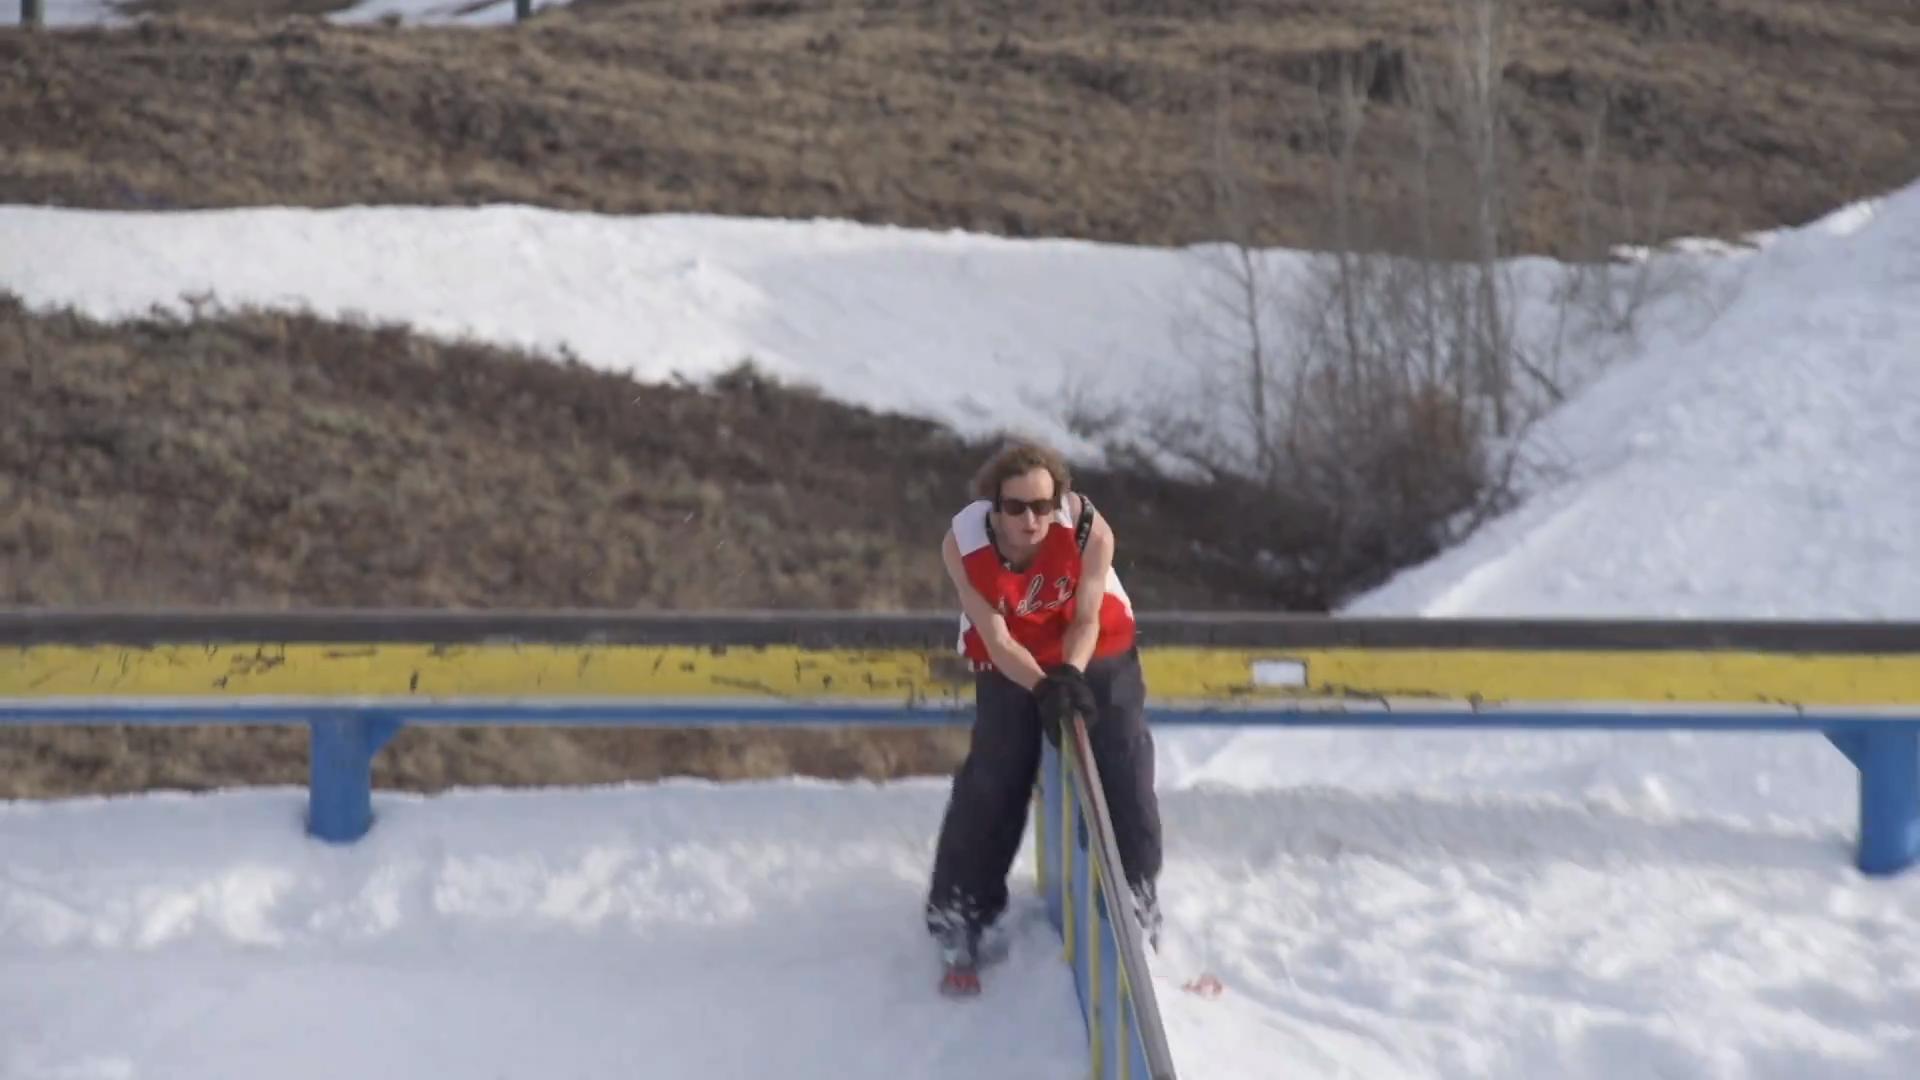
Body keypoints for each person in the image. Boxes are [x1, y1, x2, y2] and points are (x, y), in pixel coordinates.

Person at [924, 438, 1163, 990]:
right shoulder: (965, 546)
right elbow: (997, 636)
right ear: (994, 507)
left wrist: (1071, 678)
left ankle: (1136, 898)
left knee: (1122, 759)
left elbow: (1085, 619)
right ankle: (959, 909)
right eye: (1016, 508)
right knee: (998, 768)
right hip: (1011, 651)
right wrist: (1041, 687)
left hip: (1093, 642)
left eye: (1042, 506)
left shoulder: (1088, 531)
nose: (1031, 521)